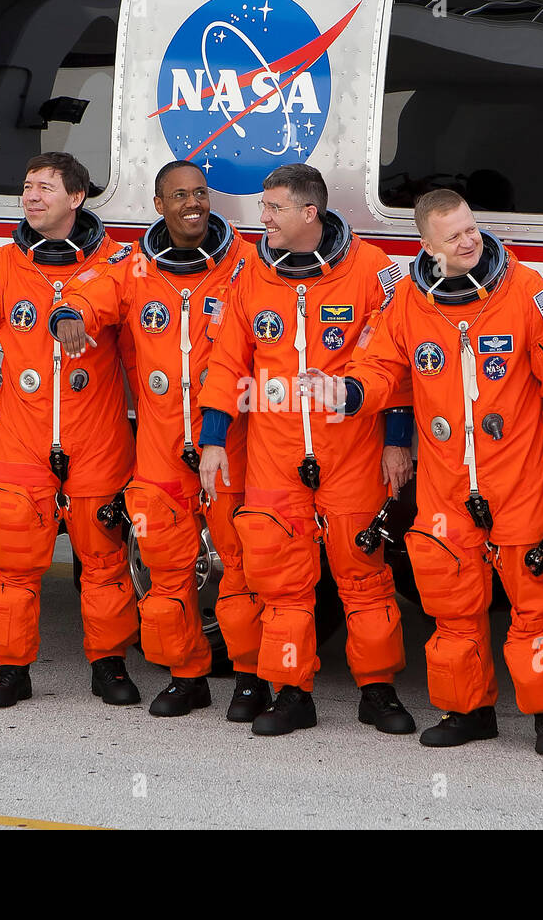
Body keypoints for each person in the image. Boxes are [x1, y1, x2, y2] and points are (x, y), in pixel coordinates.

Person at [302, 189, 543, 753]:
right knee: (451, 602)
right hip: (447, 480)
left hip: (521, 474)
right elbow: (382, 366)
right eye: (453, 235)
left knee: (534, 603)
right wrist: (350, 389)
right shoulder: (407, 299)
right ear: (427, 245)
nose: (468, 240)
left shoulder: (529, 290)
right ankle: (467, 711)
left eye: (471, 227)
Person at [0, 153, 140, 709]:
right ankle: (10, 669)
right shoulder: (4, 266)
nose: (31, 196)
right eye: (27, 185)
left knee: (106, 560)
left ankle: (108, 665)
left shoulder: (119, 264)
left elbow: (135, 343)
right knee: (13, 561)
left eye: (44, 187)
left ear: (77, 197)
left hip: (96, 438)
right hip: (22, 438)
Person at [197, 164, 416, 737]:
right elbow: (226, 364)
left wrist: (397, 442)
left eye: (272, 208)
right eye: (264, 208)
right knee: (282, 584)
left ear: (308, 213)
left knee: (363, 577)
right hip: (275, 454)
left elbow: (396, 366)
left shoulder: (375, 273)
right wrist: (214, 440)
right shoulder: (249, 274)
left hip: (352, 452)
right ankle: (293, 693)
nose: (261, 218)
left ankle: (378, 691)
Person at [50, 160, 264, 719]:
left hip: (229, 444)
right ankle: (187, 675)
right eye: (179, 196)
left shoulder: (245, 263)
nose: (192, 204)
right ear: (159, 204)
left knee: (240, 572)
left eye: (200, 194)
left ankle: (249, 680)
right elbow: (86, 291)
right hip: (162, 450)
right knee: (168, 576)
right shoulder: (135, 268)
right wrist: (70, 313)